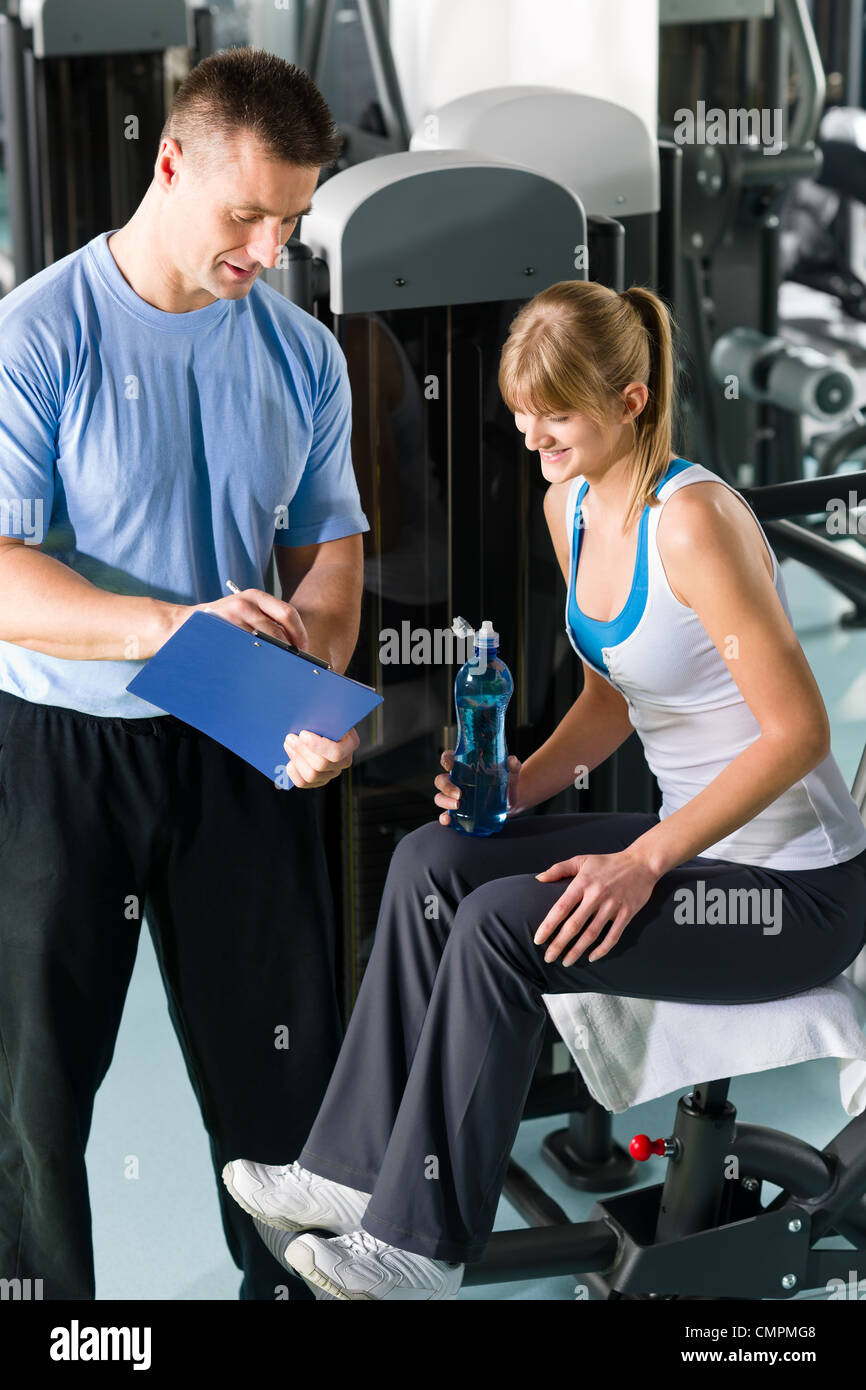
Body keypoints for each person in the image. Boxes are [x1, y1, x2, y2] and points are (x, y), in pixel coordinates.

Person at [224, 276, 866, 1302]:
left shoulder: (694, 522)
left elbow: (797, 731)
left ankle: (420, 1247)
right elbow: (615, 696)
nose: (531, 437)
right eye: (520, 415)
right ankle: (348, 1172)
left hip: (792, 891)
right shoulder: (566, 504)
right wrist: (522, 783)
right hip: (690, 841)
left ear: (628, 400)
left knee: (497, 928)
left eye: (553, 415)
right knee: (432, 860)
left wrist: (641, 860)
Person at [0, 47, 371, 1301]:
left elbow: (330, 550)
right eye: (246, 215)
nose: (267, 247)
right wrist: (171, 628)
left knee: (285, 1070)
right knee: (33, 1091)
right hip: (61, 747)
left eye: (291, 220)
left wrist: (314, 690)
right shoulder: (36, 334)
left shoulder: (302, 353)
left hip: (234, 729)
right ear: (170, 164)